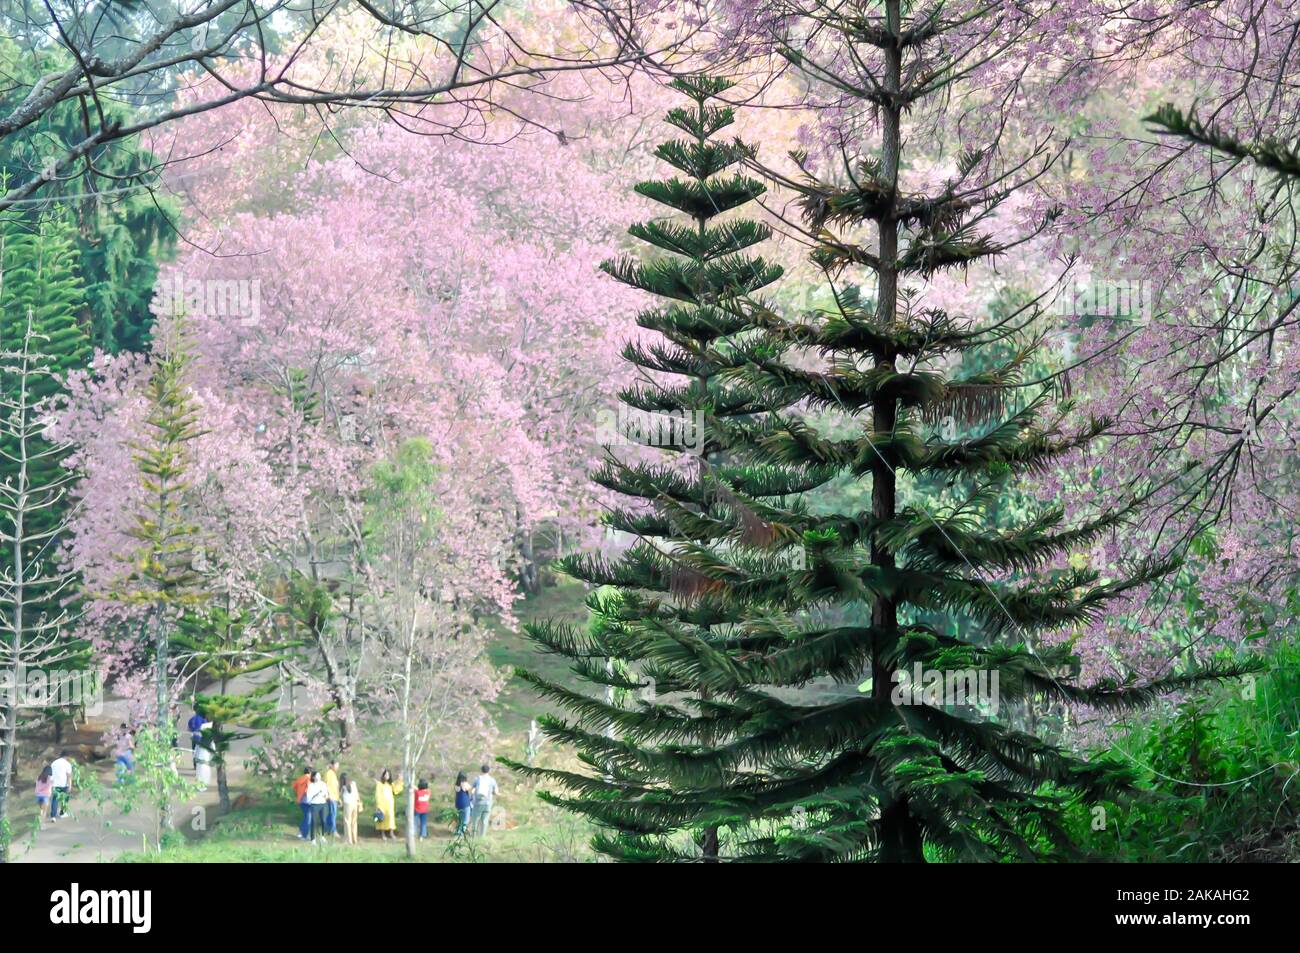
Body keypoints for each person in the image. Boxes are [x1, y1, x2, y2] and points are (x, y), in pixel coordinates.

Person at [373, 769, 402, 840]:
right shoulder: (379, 784)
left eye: (388, 775)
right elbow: (377, 795)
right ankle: (382, 834)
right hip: (382, 804)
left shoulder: (390, 784)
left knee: (390, 818)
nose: (387, 776)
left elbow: (396, 790)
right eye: (385, 774)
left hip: (389, 805)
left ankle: (391, 833)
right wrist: (378, 805)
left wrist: (399, 780)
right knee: (382, 818)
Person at [471, 763, 497, 836]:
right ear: (489, 771)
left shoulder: (477, 779)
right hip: (488, 803)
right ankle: (482, 837)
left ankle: (473, 836)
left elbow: (472, 790)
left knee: (475, 820)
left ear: (481, 770)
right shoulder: (492, 780)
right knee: (484, 820)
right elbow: (496, 792)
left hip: (478, 803)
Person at [304, 770, 330, 842]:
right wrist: (316, 794)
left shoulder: (323, 784)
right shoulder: (311, 785)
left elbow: (326, 794)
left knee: (324, 820)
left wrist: (325, 796)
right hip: (314, 805)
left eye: (319, 775)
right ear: (313, 777)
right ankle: (313, 838)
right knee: (314, 821)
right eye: (317, 776)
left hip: (323, 804)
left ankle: (322, 836)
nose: (319, 777)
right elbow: (308, 797)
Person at [48, 750, 73, 821]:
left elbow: (51, 774)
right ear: (67, 756)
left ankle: (53, 816)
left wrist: (51, 785)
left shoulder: (54, 763)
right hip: (64, 784)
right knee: (65, 799)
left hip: (55, 784)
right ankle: (62, 813)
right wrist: (70, 785)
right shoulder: (67, 764)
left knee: (55, 800)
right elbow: (69, 776)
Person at [339, 772, 362, 845]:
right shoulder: (353, 783)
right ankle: (354, 839)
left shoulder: (343, 787)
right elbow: (357, 794)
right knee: (354, 822)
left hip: (347, 804)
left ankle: (349, 840)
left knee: (347, 822)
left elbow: (340, 796)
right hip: (355, 803)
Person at [292, 766, 312, 839]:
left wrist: (299, 793)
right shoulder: (309, 779)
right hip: (308, 801)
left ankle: (301, 832)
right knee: (308, 818)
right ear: (310, 772)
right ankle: (304, 835)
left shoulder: (300, 779)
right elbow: (309, 789)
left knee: (306, 817)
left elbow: (294, 786)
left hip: (301, 800)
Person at [323, 760, 341, 837]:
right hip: (331, 797)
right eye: (336, 765)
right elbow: (326, 785)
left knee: (332, 814)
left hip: (335, 797)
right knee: (332, 814)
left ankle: (328, 830)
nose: (337, 767)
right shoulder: (328, 774)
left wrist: (339, 798)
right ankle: (333, 830)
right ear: (332, 765)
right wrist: (328, 795)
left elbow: (336, 787)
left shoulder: (334, 774)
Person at [454, 771, 473, 836]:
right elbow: (471, 788)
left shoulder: (456, 784)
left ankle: (457, 832)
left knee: (460, 819)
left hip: (458, 804)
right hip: (465, 803)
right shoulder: (464, 784)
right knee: (466, 820)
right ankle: (461, 834)